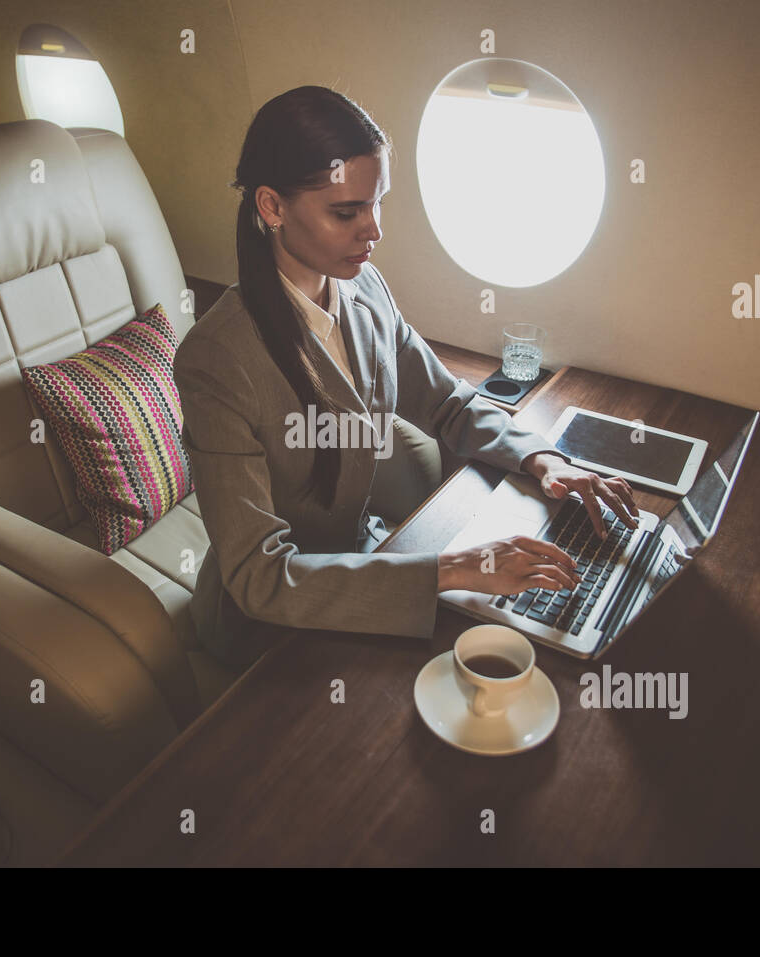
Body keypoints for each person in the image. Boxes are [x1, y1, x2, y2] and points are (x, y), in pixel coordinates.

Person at [174, 86, 638, 671]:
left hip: (369, 558)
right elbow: (260, 577)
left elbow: (447, 404)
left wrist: (546, 461)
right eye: (346, 212)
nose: (374, 230)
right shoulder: (218, 360)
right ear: (272, 207)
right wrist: (455, 569)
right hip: (268, 621)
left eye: (377, 204)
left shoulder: (366, 291)